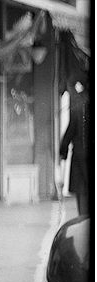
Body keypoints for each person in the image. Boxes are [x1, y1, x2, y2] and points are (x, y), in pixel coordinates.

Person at [59, 81, 90, 217]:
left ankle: (84, 221)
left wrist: (63, 153)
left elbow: (69, 134)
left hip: (80, 159)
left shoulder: (78, 110)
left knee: (82, 195)